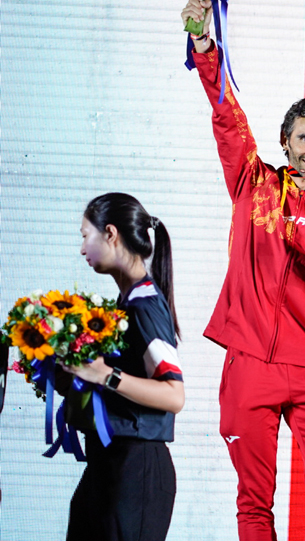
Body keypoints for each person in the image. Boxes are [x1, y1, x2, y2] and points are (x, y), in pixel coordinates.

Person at [182, 0, 305, 541]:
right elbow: (227, 114)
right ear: (285, 141)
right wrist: (203, 43)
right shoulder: (252, 180)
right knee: (254, 501)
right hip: (250, 362)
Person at [65, 192, 184, 541]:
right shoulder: (127, 302)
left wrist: (105, 375)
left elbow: (174, 394)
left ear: (111, 234)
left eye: (86, 235)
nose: (82, 247)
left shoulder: (145, 305)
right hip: (111, 462)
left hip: (137, 470)